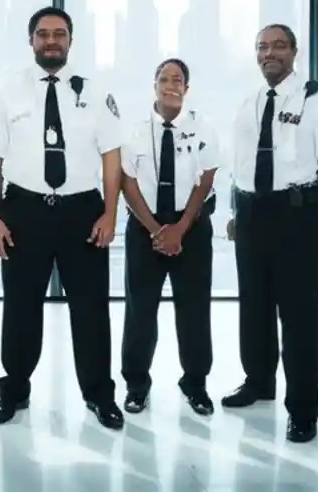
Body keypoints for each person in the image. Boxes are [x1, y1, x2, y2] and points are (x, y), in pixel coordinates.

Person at [0, 6, 125, 430]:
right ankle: (14, 391)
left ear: (70, 41)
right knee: (21, 306)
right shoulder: (7, 93)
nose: (51, 41)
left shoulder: (96, 92)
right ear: (31, 41)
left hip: (83, 211)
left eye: (59, 34)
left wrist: (110, 214)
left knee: (91, 309)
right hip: (23, 211)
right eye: (42, 34)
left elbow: (111, 158)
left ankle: (100, 395)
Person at [224, 24, 318, 443]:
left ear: (295, 52)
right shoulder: (251, 99)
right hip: (252, 214)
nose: (269, 53)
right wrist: (235, 212)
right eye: (262, 46)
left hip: (297, 216)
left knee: (297, 315)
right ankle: (258, 381)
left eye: (279, 46)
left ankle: (302, 409)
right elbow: (240, 163)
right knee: (254, 306)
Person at [119, 58, 220, 416]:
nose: (171, 84)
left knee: (194, 309)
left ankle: (195, 383)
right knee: (140, 310)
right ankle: (135, 384)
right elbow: (127, 184)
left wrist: (179, 228)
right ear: (155, 85)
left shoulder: (203, 126)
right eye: (164, 78)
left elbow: (205, 179)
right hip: (144, 227)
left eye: (178, 79)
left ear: (186, 88)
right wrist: (155, 230)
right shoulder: (132, 131)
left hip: (190, 228)